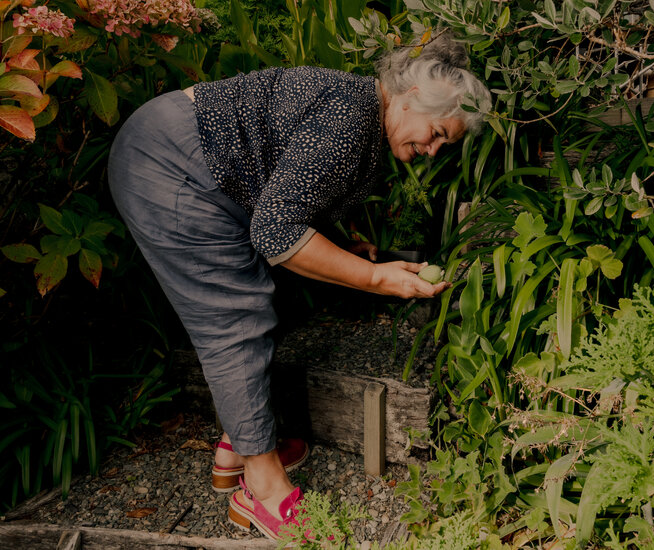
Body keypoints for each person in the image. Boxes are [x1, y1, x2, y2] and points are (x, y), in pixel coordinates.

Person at [107, 32, 490, 540]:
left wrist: (346, 251)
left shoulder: (363, 115)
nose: (434, 149)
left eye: (446, 144)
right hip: (169, 164)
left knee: (265, 299)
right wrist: (377, 278)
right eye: (438, 132)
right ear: (412, 97)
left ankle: (238, 447)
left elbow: (292, 195)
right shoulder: (351, 118)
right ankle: (261, 489)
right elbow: (276, 231)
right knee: (235, 318)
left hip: (184, 156)